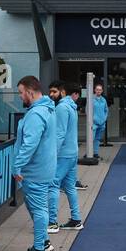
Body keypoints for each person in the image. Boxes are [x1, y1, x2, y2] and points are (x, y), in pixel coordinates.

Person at [12, 75, 58, 251]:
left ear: (30, 92)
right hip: (43, 167)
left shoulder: (36, 114)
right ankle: (44, 242)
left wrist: (16, 165)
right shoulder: (46, 109)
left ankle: (39, 248)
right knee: (35, 206)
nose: (20, 97)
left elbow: (30, 144)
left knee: (38, 209)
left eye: (21, 93)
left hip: (34, 170)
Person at [46, 81, 84, 233]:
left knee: (53, 184)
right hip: (72, 153)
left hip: (63, 154)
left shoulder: (62, 107)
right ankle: (76, 219)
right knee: (69, 187)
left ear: (62, 92)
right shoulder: (71, 107)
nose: (51, 94)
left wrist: (52, 153)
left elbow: (60, 133)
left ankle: (52, 222)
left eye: (54, 91)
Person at [69, 86, 88, 189]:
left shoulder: (72, 108)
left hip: (70, 146)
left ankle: (73, 182)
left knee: (71, 167)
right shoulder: (67, 108)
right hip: (68, 147)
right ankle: (71, 183)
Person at [91, 81, 109, 151]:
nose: (98, 91)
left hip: (101, 123)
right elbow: (88, 110)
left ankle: (96, 153)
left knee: (97, 139)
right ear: (94, 90)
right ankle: (89, 154)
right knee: (91, 139)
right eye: (97, 89)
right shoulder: (91, 99)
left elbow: (106, 110)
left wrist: (104, 119)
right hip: (93, 123)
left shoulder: (103, 100)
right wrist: (92, 119)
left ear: (102, 91)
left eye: (100, 90)